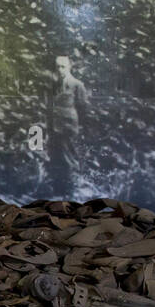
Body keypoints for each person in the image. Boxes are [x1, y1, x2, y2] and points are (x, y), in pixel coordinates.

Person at [46, 54, 89, 199]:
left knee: (69, 157)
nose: (60, 69)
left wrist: (78, 124)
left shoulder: (77, 85)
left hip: (69, 127)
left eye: (63, 66)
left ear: (69, 67)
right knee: (56, 157)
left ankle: (73, 191)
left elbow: (83, 107)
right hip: (55, 126)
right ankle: (60, 191)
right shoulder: (55, 85)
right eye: (57, 66)